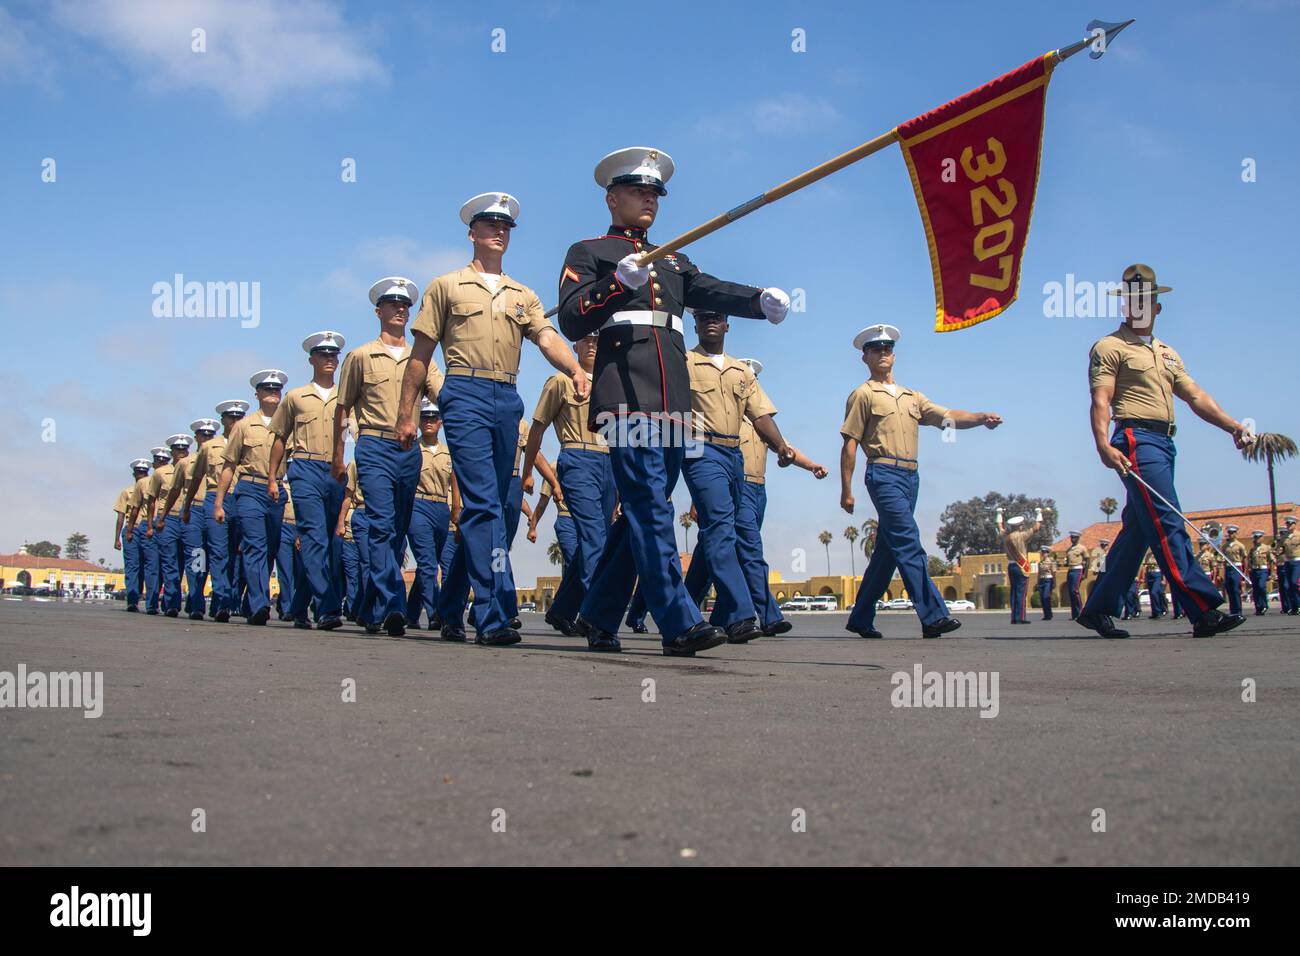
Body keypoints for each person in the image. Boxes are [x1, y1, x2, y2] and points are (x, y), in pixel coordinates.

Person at [554, 147, 790, 656]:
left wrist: (755, 300)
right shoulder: (590, 251)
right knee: (650, 507)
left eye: (655, 193)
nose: (650, 200)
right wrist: (617, 284)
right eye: (640, 192)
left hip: (672, 401)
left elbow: (711, 289)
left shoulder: (675, 257)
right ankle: (679, 622)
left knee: (642, 510)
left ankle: (596, 613)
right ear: (612, 198)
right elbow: (571, 318)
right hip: (625, 394)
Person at [396, 193, 586, 647]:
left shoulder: (523, 294)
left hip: (508, 396)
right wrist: (405, 413)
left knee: (498, 508)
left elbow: (546, 337)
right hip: (463, 392)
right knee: (482, 505)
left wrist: (576, 369)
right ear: (472, 233)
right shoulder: (446, 286)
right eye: (489, 225)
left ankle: (447, 606)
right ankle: (492, 614)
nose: (499, 231)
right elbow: (420, 356)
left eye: (506, 226)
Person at [1077, 263, 1246, 639]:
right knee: (1168, 521)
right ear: (1124, 305)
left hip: (1165, 442)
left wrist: (1233, 426)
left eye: (1146, 300)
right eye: (1131, 300)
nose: (1139, 306)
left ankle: (1098, 608)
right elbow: (1100, 398)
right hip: (1135, 439)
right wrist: (1102, 443)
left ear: (1157, 306)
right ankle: (1202, 610)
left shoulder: (1168, 354)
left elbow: (1195, 396)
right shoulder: (1109, 347)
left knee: (1139, 531)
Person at [840, 323, 1002, 639]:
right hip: (883, 474)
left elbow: (946, 416)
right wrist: (846, 490)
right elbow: (849, 443)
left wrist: (980, 418)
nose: (883, 353)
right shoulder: (862, 395)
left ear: (894, 355)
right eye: (876, 349)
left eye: (887, 349)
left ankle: (860, 617)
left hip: (910, 477)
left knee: (888, 552)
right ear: (865, 358)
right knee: (909, 541)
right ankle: (933, 615)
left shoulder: (911, 397)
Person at [333, 278, 426, 637]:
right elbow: (343, 410)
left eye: (405, 304)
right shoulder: (360, 356)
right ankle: (392, 604)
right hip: (373, 447)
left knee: (397, 533)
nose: (400, 309)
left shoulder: (421, 358)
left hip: (408, 451)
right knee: (382, 525)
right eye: (392, 304)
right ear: (378, 311)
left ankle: (370, 607)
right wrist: (338, 457)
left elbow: (443, 394)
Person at [524, 332, 614, 639]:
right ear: (574, 346)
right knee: (595, 539)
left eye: (597, 339)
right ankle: (596, 617)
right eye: (585, 339)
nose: (592, 344)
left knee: (596, 542)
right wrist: (527, 472)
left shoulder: (610, 382)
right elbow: (537, 429)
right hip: (577, 459)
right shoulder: (560, 381)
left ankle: (563, 609)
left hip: (609, 463)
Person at [268, 331, 347, 631]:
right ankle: (327, 607)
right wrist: (274, 478)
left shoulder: (346, 397)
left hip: (335, 471)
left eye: (334, 355)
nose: (330, 359)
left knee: (323, 543)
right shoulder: (295, 397)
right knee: (314, 537)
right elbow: (279, 438)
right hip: (304, 468)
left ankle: (299, 605)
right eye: (324, 355)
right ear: (311, 359)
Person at [214, 369, 289, 626]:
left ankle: (250, 601)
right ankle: (260, 604)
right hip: (249, 490)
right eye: (267, 389)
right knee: (255, 546)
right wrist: (218, 502)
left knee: (269, 549)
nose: (272, 393)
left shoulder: (289, 424)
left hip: (277, 491)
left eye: (276, 389)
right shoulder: (244, 426)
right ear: (257, 394)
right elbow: (229, 466)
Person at [406, 398, 459, 631]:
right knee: (428, 563)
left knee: (430, 564)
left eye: (434, 418)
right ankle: (436, 612)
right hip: (418, 506)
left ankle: (410, 612)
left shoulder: (449, 453)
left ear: (441, 422)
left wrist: (456, 508)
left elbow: (455, 481)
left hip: (442, 509)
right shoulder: (410, 449)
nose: (429, 422)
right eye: (424, 417)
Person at [165, 419, 221, 620]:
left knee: (215, 559)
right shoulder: (184, 463)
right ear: (196, 438)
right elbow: (174, 491)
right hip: (194, 511)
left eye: (209, 435)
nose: (206, 438)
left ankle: (215, 605)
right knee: (197, 558)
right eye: (203, 435)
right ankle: (197, 603)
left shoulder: (223, 456)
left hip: (215, 511)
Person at [148, 433, 193, 618]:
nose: (181, 453)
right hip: (169, 519)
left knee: (187, 562)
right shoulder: (160, 473)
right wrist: (154, 522)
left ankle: (184, 601)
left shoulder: (193, 466)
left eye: (184, 449)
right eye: (177, 450)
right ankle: (171, 602)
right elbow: (152, 499)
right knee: (170, 562)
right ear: (172, 452)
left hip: (188, 518)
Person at [995, 508, 1044, 624]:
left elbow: (999, 526)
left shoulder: (1006, 536)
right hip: (1020, 566)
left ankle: (1013, 617)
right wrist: (1038, 513)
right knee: (1021, 593)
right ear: (1020, 526)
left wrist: (999, 514)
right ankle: (1021, 617)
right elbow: (1036, 528)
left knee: (1014, 592)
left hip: (1011, 566)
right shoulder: (1021, 535)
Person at [114, 459, 151, 612]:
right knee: (132, 566)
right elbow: (121, 516)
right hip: (132, 529)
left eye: (144, 472)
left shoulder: (151, 488)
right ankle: (132, 599)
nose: (141, 475)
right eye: (139, 472)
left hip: (147, 529)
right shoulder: (126, 492)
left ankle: (142, 597)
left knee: (145, 566)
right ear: (134, 474)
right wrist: (116, 538)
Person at [1247, 530, 1273, 615]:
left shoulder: (1266, 548)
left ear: (1262, 538)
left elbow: (1271, 560)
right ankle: (1258, 607)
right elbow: (1249, 560)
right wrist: (1249, 570)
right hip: (1254, 570)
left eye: (1258, 537)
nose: (1257, 539)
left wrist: (1271, 572)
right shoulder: (1252, 549)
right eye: (1255, 537)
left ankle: (1264, 605)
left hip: (1263, 570)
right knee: (1256, 589)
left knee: (1261, 586)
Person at [1278, 516, 1300, 615]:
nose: (1288, 525)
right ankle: (1294, 607)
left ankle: (1298, 605)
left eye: (1290, 523)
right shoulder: (1284, 537)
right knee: (1288, 586)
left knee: (1294, 583)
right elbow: (1279, 549)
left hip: (1297, 561)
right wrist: (1278, 551)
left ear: (1295, 524)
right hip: (1287, 562)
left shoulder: (1299, 535)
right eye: (1287, 523)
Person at [1064, 531, 1087, 619]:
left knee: (1075, 591)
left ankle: (1080, 613)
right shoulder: (1069, 549)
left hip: (1078, 569)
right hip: (1070, 570)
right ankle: (1074, 614)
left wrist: (1085, 573)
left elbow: (1087, 560)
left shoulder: (1082, 548)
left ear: (1078, 538)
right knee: (1071, 592)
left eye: (1074, 537)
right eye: (1071, 537)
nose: (1072, 539)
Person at [1143, 549, 1167, 619]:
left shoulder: (1159, 553)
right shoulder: (1148, 555)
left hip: (1157, 573)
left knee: (1154, 592)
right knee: (1151, 594)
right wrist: (1145, 576)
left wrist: (1163, 578)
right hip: (1150, 574)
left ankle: (1158, 610)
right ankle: (1154, 613)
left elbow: (1163, 566)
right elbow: (1145, 565)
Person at [1037, 543, 1057, 621]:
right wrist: (1038, 583)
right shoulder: (1040, 562)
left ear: (1048, 553)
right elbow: (1039, 573)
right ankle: (1046, 614)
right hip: (1042, 580)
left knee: (1046, 597)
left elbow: (1054, 572)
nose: (1043, 554)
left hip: (1048, 580)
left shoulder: (1051, 561)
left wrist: (1054, 582)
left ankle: (1049, 614)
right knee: (1042, 598)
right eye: (1042, 552)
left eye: (1045, 552)